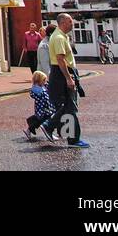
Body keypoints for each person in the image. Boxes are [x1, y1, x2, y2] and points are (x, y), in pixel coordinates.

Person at [48, 13, 88, 148]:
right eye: (70, 21)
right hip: (62, 74)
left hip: (63, 73)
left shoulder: (61, 36)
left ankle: (53, 127)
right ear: (63, 22)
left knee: (67, 107)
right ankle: (72, 139)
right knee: (70, 107)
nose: (72, 24)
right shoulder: (59, 37)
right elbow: (60, 59)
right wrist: (69, 78)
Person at [24, 70, 56, 141]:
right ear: (38, 80)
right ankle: (49, 133)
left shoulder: (43, 86)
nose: (45, 81)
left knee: (40, 121)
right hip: (42, 108)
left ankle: (29, 130)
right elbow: (39, 96)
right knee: (47, 120)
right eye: (44, 80)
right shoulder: (36, 89)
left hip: (46, 107)